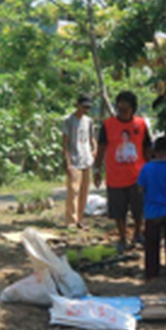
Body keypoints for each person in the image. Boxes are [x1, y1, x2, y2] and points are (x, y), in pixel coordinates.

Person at [96, 91, 151, 252]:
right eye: (119, 109)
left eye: (125, 109)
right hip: (115, 177)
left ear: (133, 109)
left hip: (137, 176)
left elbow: (147, 148)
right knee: (118, 210)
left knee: (138, 209)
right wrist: (97, 169)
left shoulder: (141, 125)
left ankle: (137, 234)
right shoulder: (108, 125)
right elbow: (101, 149)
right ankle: (122, 237)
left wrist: (150, 170)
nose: (122, 113)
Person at [137, 136, 166, 280]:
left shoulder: (146, 168)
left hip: (152, 211)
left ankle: (151, 272)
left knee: (152, 244)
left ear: (153, 152)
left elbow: (140, 188)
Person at [62, 94, 96, 230]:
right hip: (74, 159)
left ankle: (80, 219)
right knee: (73, 191)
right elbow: (65, 144)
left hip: (87, 159)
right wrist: (68, 163)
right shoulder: (68, 121)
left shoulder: (89, 121)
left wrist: (95, 150)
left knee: (84, 191)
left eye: (88, 108)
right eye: (84, 107)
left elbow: (92, 139)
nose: (86, 110)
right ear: (77, 104)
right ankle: (71, 220)